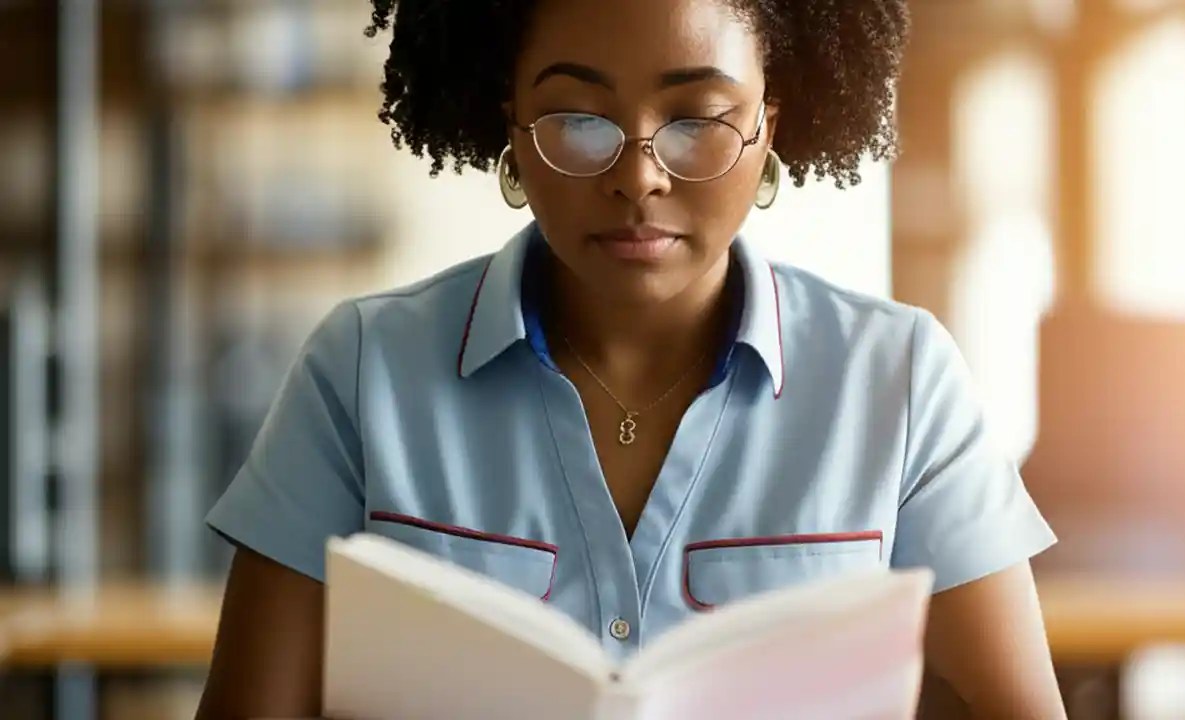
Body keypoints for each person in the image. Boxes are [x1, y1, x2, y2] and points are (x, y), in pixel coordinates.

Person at [196, 0, 1067, 717]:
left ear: (769, 126)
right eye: (580, 120)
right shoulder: (362, 371)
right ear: (512, 124)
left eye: (697, 120)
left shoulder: (901, 380)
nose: (639, 175)